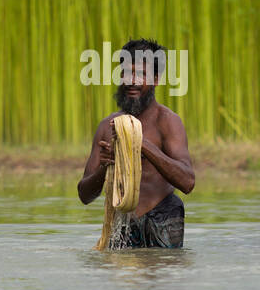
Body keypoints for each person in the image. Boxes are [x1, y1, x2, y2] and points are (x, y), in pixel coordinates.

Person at [77, 38, 194, 248]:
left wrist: (141, 144)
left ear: (156, 80)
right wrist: (104, 167)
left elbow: (187, 182)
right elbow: (85, 195)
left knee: (160, 270)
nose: (132, 81)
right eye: (126, 73)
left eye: (140, 74)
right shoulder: (107, 126)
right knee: (118, 277)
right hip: (121, 223)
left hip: (162, 217)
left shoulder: (167, 122)